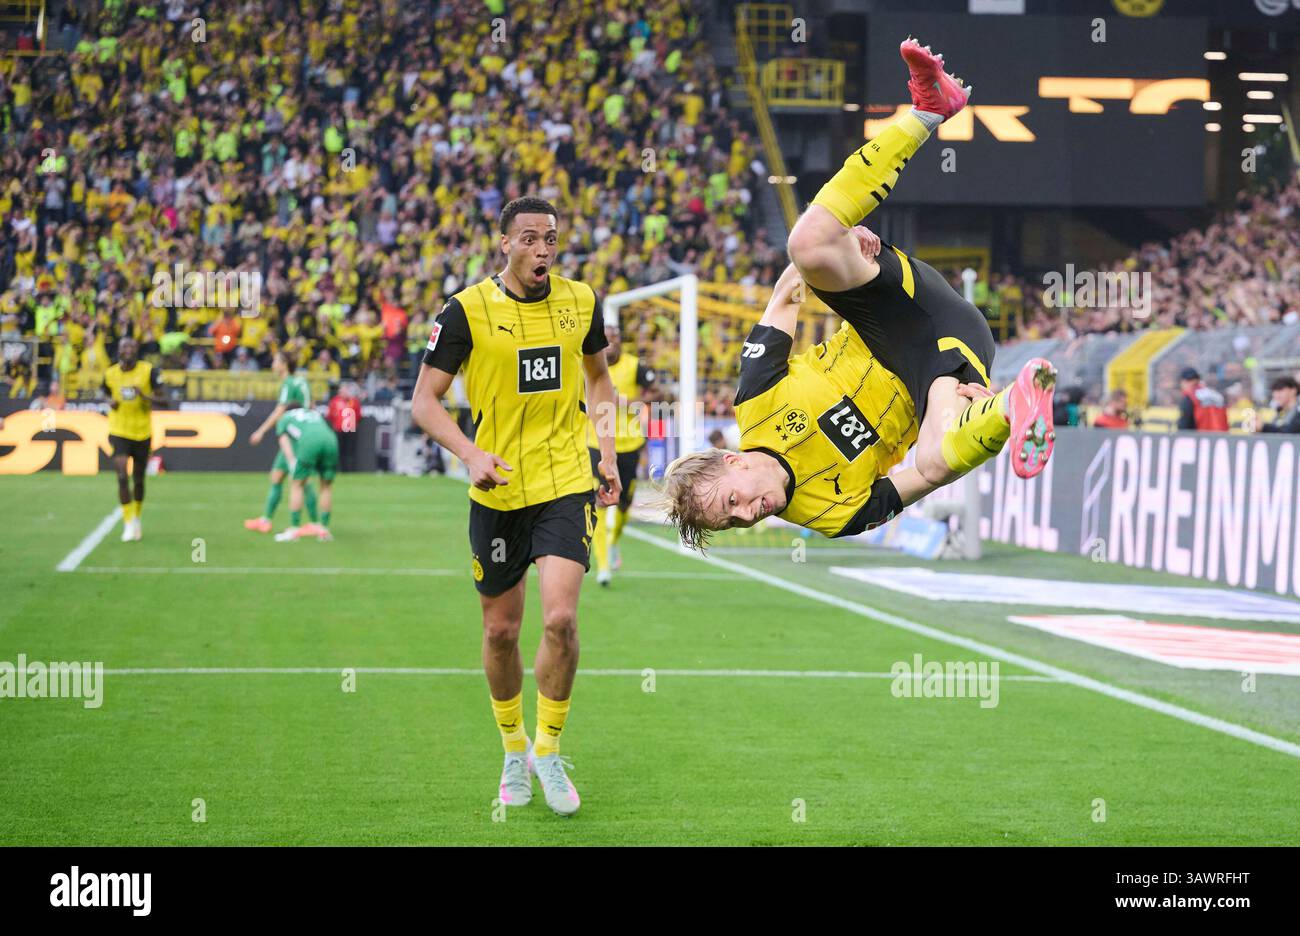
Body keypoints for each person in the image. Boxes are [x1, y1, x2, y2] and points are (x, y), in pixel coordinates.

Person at [659, 38, 1057, 549]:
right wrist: (973, 423)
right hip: (937, 371)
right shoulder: (830, 516)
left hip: (889, 315)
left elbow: (787, 294)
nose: (749, 514)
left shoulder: (755, 401)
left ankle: (928, 111)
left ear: (734, 461)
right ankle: (1012, 406)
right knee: (937, 458)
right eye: (736, 523)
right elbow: (926, 478)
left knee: (805, 242)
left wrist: (842, 241)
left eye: (733, 502)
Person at [411, 196, 621, 817]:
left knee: (560, 621)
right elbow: (425, 402)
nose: (542, 250)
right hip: (498, 489)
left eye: (550, 239)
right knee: (500, 630)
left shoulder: (581, 301)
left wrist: (605, 451)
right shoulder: (466, 311)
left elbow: (600, 378)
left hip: (563, 483)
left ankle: (549, 751)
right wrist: (469, 454)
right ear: (505, 244)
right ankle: (512, 748)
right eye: (529, 239)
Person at [587, 324, 655, 586]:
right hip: (596, 443)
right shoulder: (590, 364)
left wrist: (629, 403)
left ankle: (613, 542)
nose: (610, 343)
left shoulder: (635, 367)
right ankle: (603, 566)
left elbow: (657, 396)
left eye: (615, 338)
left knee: (625, 505)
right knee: (601, 502)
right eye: (607, 339)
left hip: (629, 444)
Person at [244, 350, 320, 532]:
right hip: (306, 432)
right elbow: (312, 405)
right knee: (278, 476)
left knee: (303, 480)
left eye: (276, 361)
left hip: (295, 436)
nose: (272, 365)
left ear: (284, 364)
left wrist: (260, 431)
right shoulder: (302, 381)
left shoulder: (288, 382)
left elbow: (280, 411)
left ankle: (316, 524)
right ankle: (266, 520)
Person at [102, 337, 166, 541]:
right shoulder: (110, 373)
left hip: (142, 432)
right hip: (118, 430)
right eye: (124, 347)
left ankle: (136, 517)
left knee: (138, 479)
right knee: (121, 475)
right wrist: (108, 401)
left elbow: (165, 400)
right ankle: (128, 523)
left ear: (136, 350)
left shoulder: (149, 371)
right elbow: (102, 392)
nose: (128, 350)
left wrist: (145, 396)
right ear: (119, 351)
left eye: (131, 346)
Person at [272, 408, 338, 542]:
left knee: (297, 484)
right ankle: (324, 530)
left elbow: (284, 440)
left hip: (310, 442)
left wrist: (291, 463)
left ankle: (294, 530)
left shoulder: (285, 417)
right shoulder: (313, 413)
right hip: (330, 439)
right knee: (326, 486)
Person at [1177, 367, 1228, 432]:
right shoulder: (1217, 395)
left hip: (1200, 439)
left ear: (1184, 381)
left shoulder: (1190, 397)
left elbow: (1184, 425)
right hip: (1221, 439)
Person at [327, 381, 362, 471]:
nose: (343, 392)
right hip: (339, 430)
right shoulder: (335, 401)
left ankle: (349, 470)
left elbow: (359, 416)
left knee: (350, 452)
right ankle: (338, 470)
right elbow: (330, 416)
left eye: (346, 390)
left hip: (351, 430)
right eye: (342, 390)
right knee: (339, 451)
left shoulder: (354, 401)